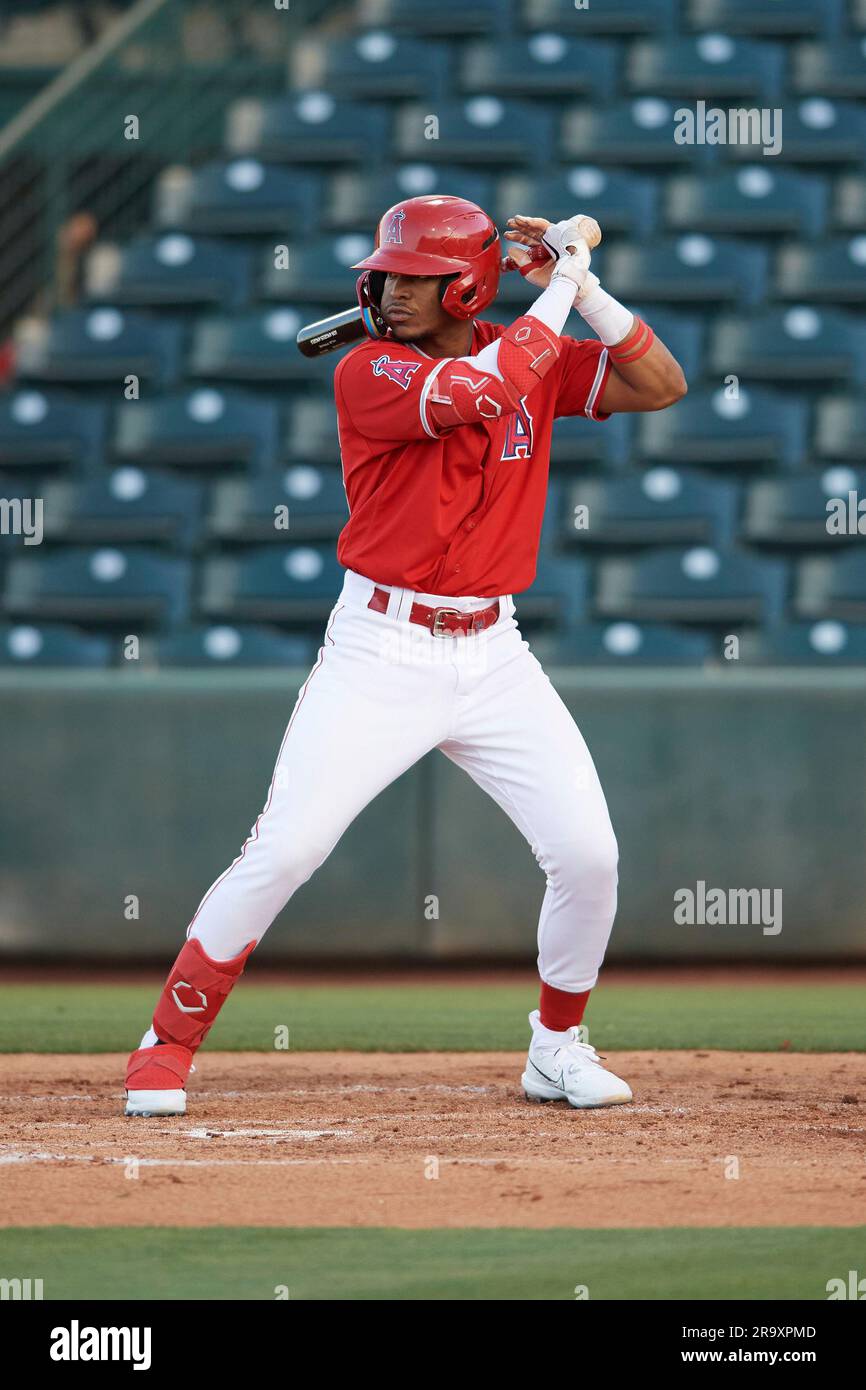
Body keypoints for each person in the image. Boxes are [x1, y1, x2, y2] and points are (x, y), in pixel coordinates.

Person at [124, 196, 687, 1118]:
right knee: (289, 846)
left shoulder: (527, 350)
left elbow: (660, 383)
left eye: (419, 280)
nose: (390, 290)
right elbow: (484, 392)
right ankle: (167, 1042)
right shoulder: (368, 368)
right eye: (386, 275)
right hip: (380, 646)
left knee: (589, 854)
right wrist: (566, 278)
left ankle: (557, 1048)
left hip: (493, 649)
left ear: (468, 286)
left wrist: (581, 291)